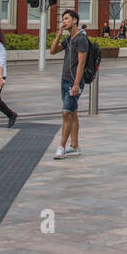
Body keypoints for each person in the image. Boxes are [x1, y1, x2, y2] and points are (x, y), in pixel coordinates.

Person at [50, 9, 89, 159]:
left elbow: (81, 63)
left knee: (66, 112)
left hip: (75, 82)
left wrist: (76, 85)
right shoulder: (68, 39)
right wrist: (58, 35)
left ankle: (61, 147)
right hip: (64, 80)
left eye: (66, 19)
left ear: (74, 20)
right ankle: (75, 146)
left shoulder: (81, 39)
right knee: (72, 113)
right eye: (63, 19)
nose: (64, 21)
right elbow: (53, 51)